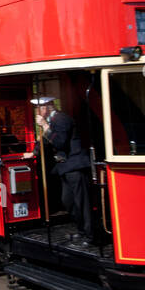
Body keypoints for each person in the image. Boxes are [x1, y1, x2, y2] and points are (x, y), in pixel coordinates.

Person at [40, 98, 94, 244]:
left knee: (81, 201)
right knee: (68, 201)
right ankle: (81, 230)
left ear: (48, 107)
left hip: (75, 166)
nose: (38, 111)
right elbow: (46, 142)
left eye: (41, 107)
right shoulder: (53, 121)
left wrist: (45, 127)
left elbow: (60, 142)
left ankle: (89, 235)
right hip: (65, 168)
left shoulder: (61, 119)